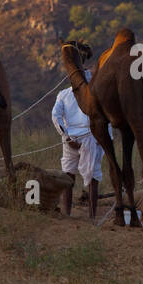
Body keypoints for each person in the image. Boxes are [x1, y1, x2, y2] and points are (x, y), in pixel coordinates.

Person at [51, 76, 106, 217]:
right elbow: (106, 116)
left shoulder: (65, 94)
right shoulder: (93, 93)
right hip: (86, 138)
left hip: (79, 137)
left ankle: (73, 214)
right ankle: (87, 216)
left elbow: (55, 116)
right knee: (88, 176)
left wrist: (66, 136)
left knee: (74, 174)